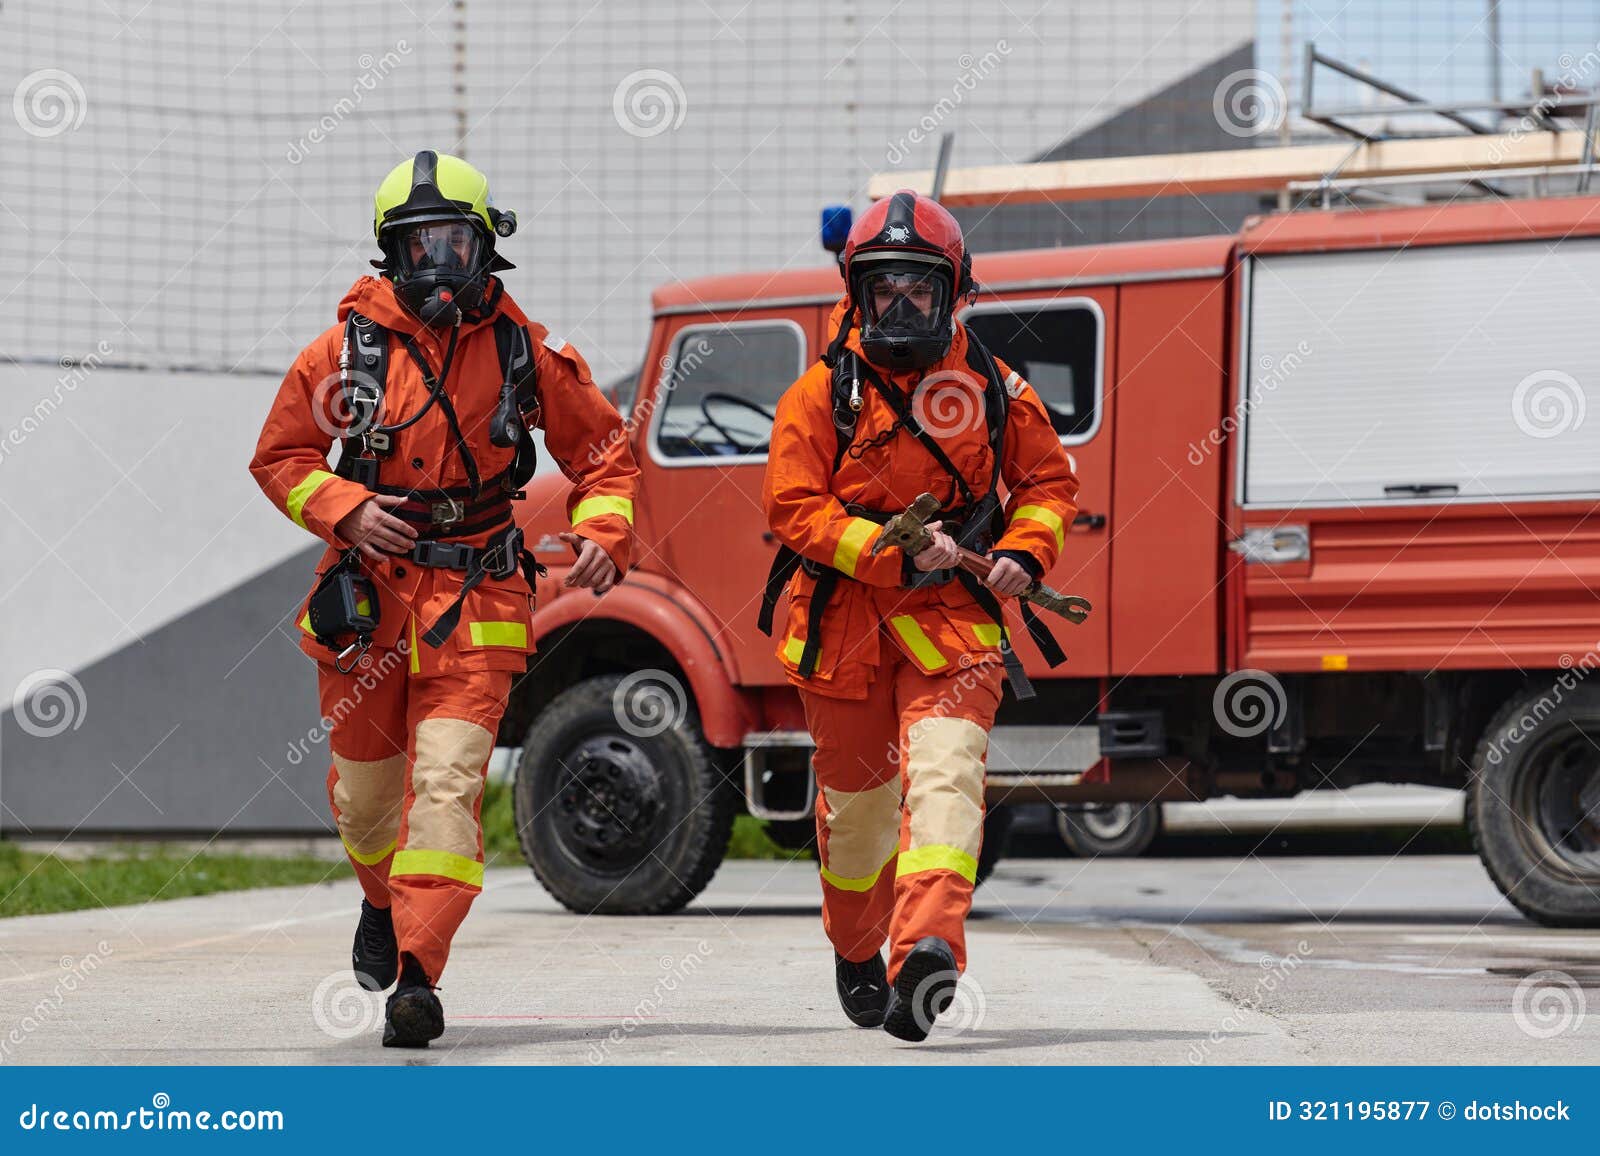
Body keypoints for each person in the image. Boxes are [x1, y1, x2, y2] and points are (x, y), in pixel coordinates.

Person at [251, 150, 638, 1047]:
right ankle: (381, 904)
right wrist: (346, 511)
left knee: (447, 786)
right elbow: (281, 458)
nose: (437, 263)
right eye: (418, 244)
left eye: (453, 242)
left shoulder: (521, 346)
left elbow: (606, 454)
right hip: (369, 603)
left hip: (480, 593)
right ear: (392, 252)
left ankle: (419, 976)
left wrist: (604, 533)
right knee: (364, 798)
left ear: (484, 246)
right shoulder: (344, 350)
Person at [761, 190, 1080, 1041]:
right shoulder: (818, 394)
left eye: (919, 289)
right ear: (856, 292)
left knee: (946, 788)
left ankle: (928, 950)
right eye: (884, 289)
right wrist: (887, 551)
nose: (901, 308)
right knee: (857, 816)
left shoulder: (992, 386)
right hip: (844, 632)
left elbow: (1050, 482)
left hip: (955, 627)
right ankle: (857, 947)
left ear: (953, 292)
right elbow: (793, 509)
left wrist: (1026, 550)